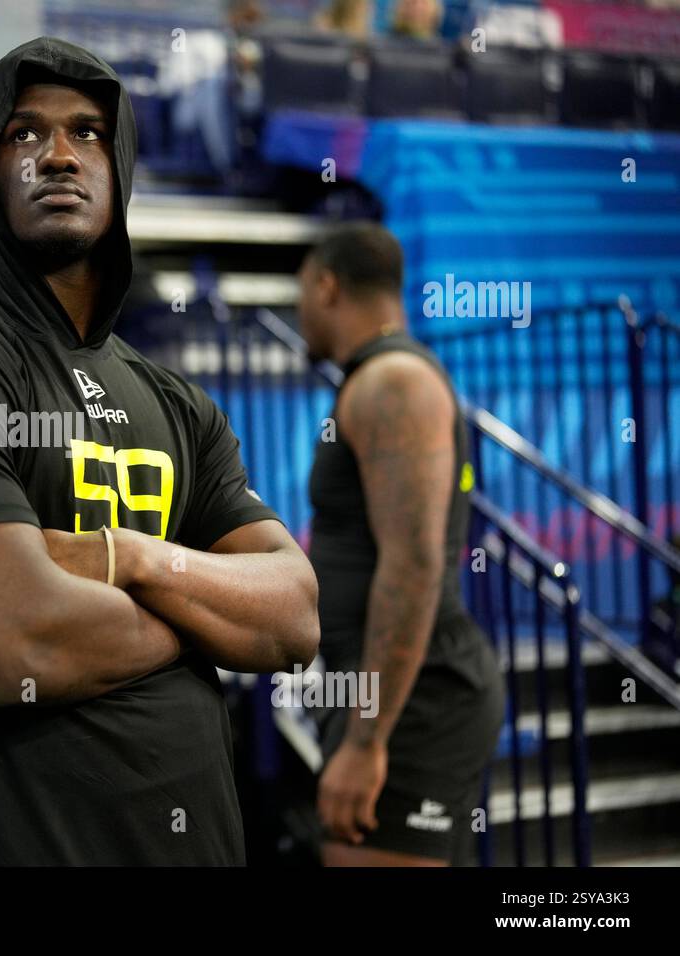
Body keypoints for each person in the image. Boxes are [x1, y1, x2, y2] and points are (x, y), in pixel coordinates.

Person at [0, 37, 319, 866]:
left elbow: (294, 613)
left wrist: (129, 559)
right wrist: (209, 618)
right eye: (24, 135)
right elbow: (17, 644)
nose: (57, 155)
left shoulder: (178, 403)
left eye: (88, 132)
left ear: (121, 161)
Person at [297, 223, 503, 867]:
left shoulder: (393, 383)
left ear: (327, 286)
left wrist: (366, 740)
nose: (298, 311)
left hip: (414, 701)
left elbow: (414, 566)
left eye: (302, 291)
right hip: (389, 695)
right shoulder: (376, 379)